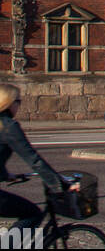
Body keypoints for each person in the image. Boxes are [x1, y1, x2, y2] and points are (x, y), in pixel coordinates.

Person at [0, 84, 71, 229]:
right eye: (18, 102)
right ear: (9, 103)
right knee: (33, 213)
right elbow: (33, 159)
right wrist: (59, 185)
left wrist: (7, 175)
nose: (19, 106)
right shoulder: (8, 126)